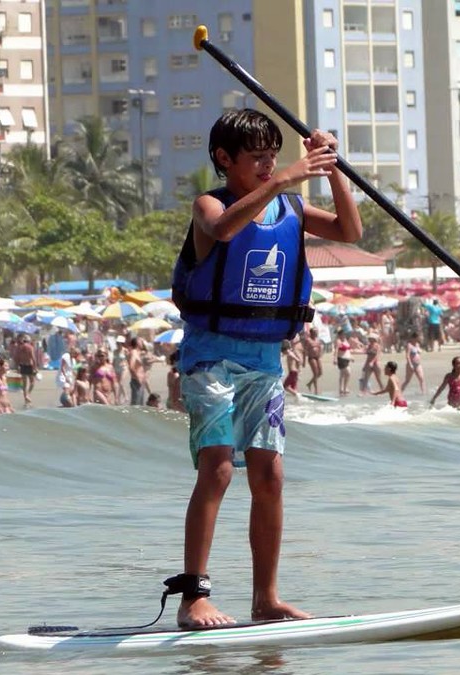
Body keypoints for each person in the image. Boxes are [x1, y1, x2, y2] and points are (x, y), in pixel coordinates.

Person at [168, 109, 361, 629]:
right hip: (211, 355)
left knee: (270, 477)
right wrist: (283, 179)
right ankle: (194, 597)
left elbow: (350, 229)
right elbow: (223, 230)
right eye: (256, 157)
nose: (267, 164)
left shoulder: (291, 206)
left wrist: (331, 167)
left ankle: (266, 598)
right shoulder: (210, 203)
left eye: (272, 155)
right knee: (218, 466)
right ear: (224, 160)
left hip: (264, 360)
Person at [14, 335, 38, 407]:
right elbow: (33, 358)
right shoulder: (30, 347)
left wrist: (17, 366)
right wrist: (35, 367)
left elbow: (16, 358)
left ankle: (26, 400)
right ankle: (28, 394)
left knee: (24, 384)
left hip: (22, 365)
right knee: (32, 382)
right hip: (29, 365)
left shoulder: (19, 348)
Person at [301, 327, 324, 394]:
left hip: (318, 357)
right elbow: (304, 351)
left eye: (317, 332)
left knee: (320, 373)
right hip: (311, 358)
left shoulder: (318, 340)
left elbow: (320, 348)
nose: (316, 333)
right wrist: (304, 361)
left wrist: (320, 354)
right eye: (315, 332)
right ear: (311, 333)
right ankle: (316, 390)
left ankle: (309, 383)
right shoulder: (308, 340)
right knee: (315, 373)